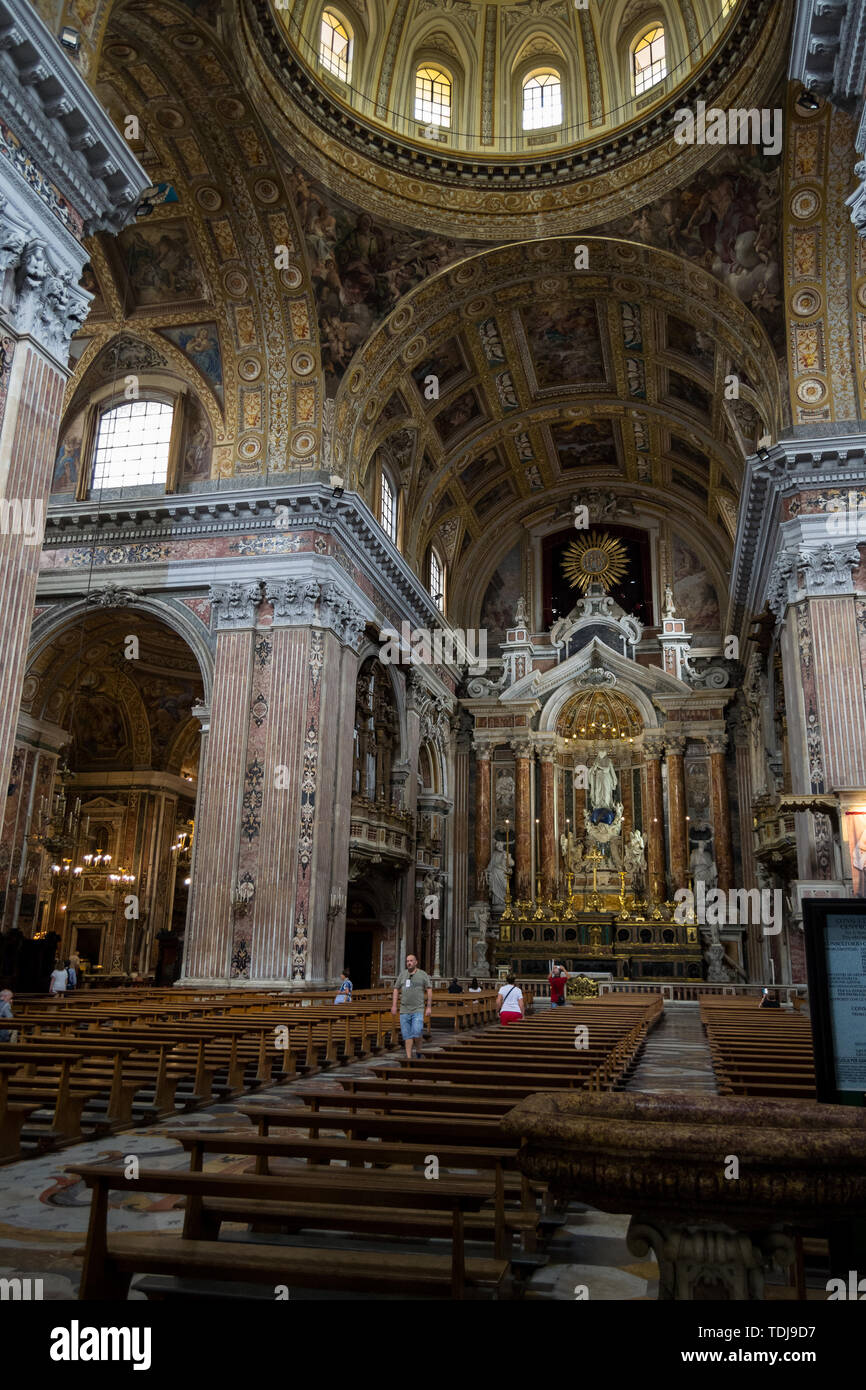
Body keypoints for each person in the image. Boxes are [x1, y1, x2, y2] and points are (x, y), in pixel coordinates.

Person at [391, 953, 433, 1060]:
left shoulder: (423, 974)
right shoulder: (403, 974)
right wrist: (394, 1005)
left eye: (411, 961)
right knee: (407, 1035)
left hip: (418, 1009)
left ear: (416, 962)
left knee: (417, 1031)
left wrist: (429, 1006)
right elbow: (396, 988)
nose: (408, 963)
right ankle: (409, 1058)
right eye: (407, 961)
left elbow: (429, 989)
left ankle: (418, 1051)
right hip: (404, 1009)